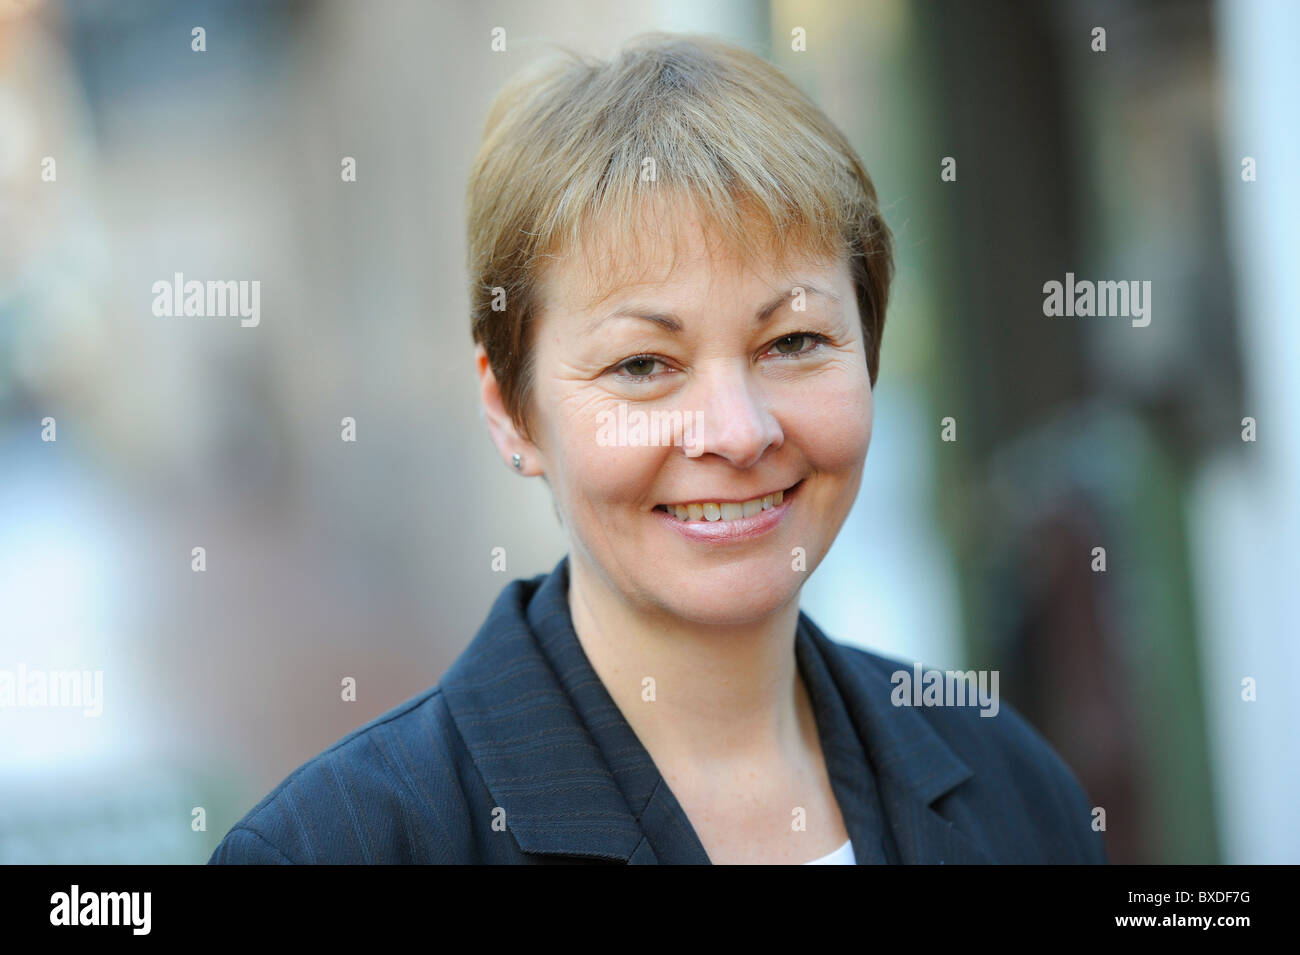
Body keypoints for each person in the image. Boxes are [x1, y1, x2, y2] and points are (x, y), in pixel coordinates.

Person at [210, 32, 1106, 865]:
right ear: (511, 411)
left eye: (792, 342)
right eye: (644, 363)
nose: (738, 430)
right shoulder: (341, 847)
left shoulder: (1010, 780)